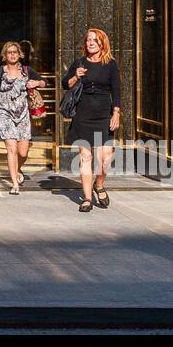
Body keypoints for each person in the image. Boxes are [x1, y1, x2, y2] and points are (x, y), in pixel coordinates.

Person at [62, 28, 121, 212]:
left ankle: (99, 184)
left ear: (102, 43)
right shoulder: (79, 62)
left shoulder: (110, 64)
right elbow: (65, 84)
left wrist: (116, 113)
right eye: (88, 40)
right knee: (86, 157)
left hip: (104, 114)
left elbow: (116, 90)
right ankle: (87, 198)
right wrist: (75, 76)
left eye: (95, 40)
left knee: (105, 157)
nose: (90, 43)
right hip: (83, 114)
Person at [0, 41, 46, 195]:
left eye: (15, 52)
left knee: (23, 153)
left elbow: (44, 82)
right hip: (5, 115)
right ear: (5, 55)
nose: (12, 55)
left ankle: (17, 169)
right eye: (9, 52)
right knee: (12, 149)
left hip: (23, 116)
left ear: (19, 54)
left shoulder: (26, 70)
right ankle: (15, 184)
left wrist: (36, 82)